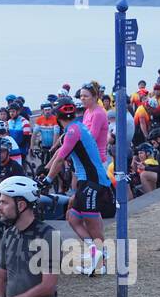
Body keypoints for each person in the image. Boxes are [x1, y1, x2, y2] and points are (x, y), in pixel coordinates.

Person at [45, 101, 115, 277]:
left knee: (91, 223)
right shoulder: (76, 127)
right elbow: (59, 152)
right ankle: (96, 252)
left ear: (57, 117)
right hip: (88, 181)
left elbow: (61, 159)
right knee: (73, 217)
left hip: (93, 182)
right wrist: (45, 168)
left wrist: (48, 179)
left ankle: (102, 262)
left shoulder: (72, 131)